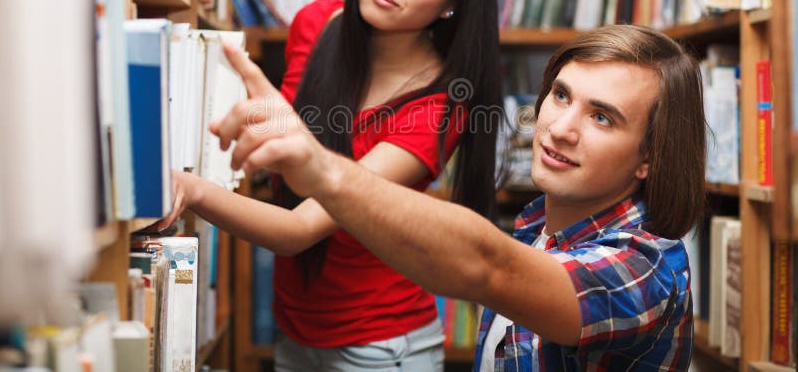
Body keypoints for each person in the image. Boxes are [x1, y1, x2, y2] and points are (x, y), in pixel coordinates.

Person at [207, 24, 707, 371]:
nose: (561, 128)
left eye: (602, 117)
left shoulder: (646, 268)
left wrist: (319, 168)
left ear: (650, 158)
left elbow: (488, 265)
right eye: (561, 95)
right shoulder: (540, 226)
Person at [160, 0, 503, 371]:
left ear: (454, 1)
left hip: (383, 349)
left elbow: (299, 230)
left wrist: (188, 188)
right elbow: (283, 147)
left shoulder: (440, 107)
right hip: (295, 331)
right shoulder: (317, 24)